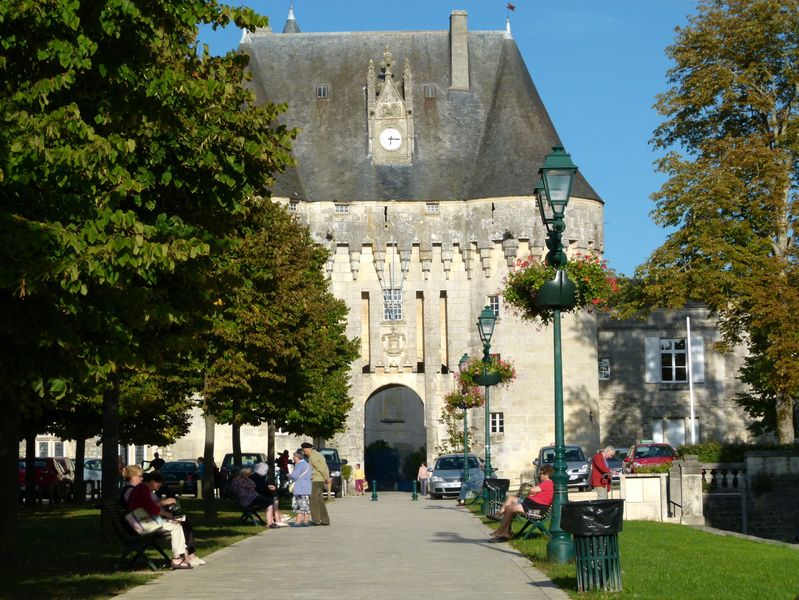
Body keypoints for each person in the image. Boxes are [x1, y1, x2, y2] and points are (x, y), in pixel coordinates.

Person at [120, 466, 205, 566]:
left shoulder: (140, 488)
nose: (142, 478)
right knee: (176, 526)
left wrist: (166, 515)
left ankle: (184, 556)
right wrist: (166, 514)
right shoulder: (142, 488)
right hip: (143, 524)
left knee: (177, 524)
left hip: (142, 522)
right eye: (140, 476)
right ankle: (178, 558)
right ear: (134, 477)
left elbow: (149, 506)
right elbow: (150, 507)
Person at [489, 465, 554, 542]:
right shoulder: (546, 483)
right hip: (531, 505)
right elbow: (536, 493)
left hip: (536, 508)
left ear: (546, 474)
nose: (540, 476)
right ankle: (504, 531)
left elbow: (532, 490)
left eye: (541, 474)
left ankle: (501, 531)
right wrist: (532, 494)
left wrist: (532, 493)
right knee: (510, 502)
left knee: (509, 508)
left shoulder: (547, 483)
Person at [301, 442, 330, 525]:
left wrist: (326, 478)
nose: (304, 452)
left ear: (308, 449)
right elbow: (325, 467)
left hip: (316, 480)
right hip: (320, 480)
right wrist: (326, 477)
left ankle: (316, 520)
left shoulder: (312, 457)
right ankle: (325, 520)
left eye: (304, 450)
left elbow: (320, 468)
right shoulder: (319, 455)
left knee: (313, 500)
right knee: (320, 501)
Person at [252, 462, 287, 527]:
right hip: (255, 497)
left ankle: (277, 519)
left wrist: (268, 487)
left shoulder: (255, 477)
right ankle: (276, 520)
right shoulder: (258, 478)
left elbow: (261, 488)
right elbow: (261, 489)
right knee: (273, 500)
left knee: (273, 499)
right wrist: (269, 489)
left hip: (256, 496)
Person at [289, 450, 312, 526]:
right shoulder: (307, 464)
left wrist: (289, 475)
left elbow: (294, 476)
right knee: (306, 506)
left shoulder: (299, 465)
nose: (293, 458)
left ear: (297, 457)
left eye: (294, 456)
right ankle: (306, 521)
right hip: (307, 487)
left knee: (299, 505)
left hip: (300, 488)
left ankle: (298, 521)